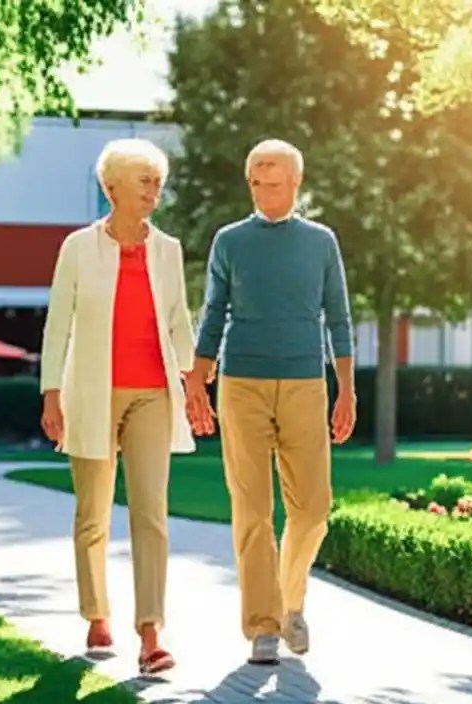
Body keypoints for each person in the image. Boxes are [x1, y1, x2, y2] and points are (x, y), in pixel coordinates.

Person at [186, 138, 357, 665]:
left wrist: (346, 388)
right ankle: (262, 625)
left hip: (307, 382)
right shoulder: (230, 242)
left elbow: (339, 316)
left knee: (313, 508)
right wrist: (198, 377)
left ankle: (290, 604)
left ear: (296, 181)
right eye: (256, 179)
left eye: (274, 179)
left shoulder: (321, 242)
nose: (263, 187)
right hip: (241, 382)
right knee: (253, 509)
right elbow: (214, 312)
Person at [38, 137, 197, 675]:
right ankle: (96, 612)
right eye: (143, 181)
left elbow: (178, 321)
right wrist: (51, 393)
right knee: (94, 513)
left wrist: (194, 381)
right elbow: (58, 324)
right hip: (92, 392)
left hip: (154, 392)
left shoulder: (168, 250)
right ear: (111, 188)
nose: (154, 190)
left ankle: (151, 632)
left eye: (157, 180)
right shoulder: (78, 248)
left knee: (151, 511)